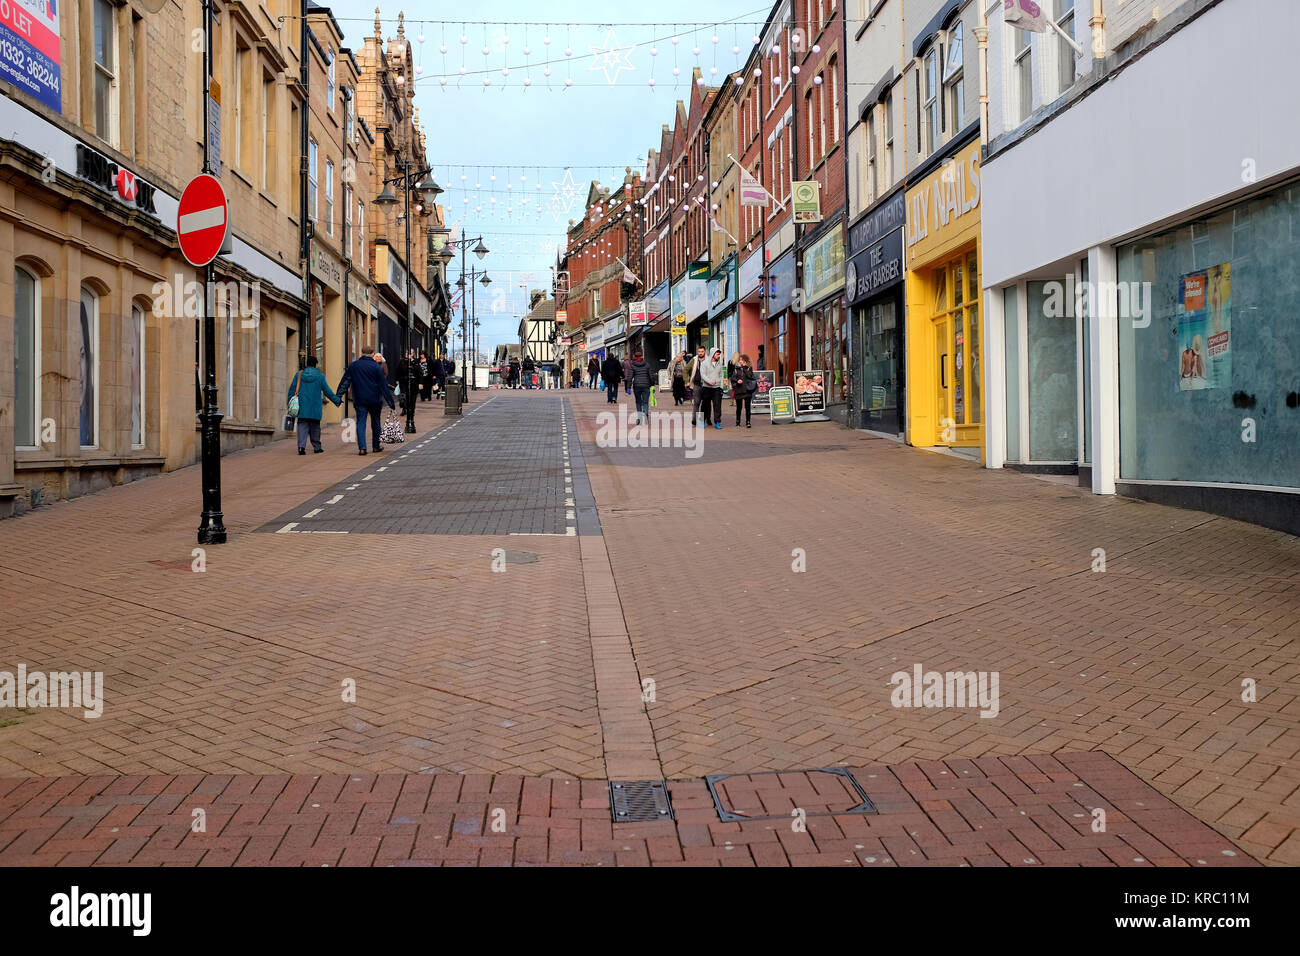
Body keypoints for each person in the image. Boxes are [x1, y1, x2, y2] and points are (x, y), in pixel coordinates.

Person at [337, 345, 396, 456]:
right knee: (376, 422)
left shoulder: (354, 366)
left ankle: (362, 448)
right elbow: (383, 386)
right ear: (373, 354)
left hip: (359, 399)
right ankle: (376, 446)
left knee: (360, 422)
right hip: (375, 399)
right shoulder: (376, 367)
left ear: (362, 352)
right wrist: (390, 402)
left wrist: (338, 397)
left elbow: (345, 382)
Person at [288, 355, 342, 454]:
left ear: (307, 364)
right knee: (315, 426)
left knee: (302, 425)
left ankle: (301, 447)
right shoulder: (320, 376)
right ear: (315, 364)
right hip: (315, 406)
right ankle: (317, 447)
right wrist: (337, 400)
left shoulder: (299, 375)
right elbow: (327, 391)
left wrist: (289, 403)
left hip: (302, 405)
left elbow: (292, 389)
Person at [696, 347, 725, 429]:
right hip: (706, 387)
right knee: (705, 405)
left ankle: (717, 422)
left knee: (717, 406)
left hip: (717, 388)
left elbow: (721, 375)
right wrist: (709, 381)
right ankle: (701, 422)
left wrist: (721, 386)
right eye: (717, 354)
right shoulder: (704, 363)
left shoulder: (719, 364)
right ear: (713, 354)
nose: (719, 356)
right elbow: (703, 375)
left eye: (719, 354)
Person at [730, 353, 756, 429]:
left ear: (745, 360)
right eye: (739, 360)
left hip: (747, 390)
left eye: (741, 360)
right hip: (739, 389)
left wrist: (744, 367)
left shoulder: (749, 368)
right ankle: (738, 422)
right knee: (739, 407)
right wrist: (737, 380)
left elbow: (750, 376)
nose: (740, 361)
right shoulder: (736, 368)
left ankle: (748, 422)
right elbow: (732, 378)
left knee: (747, 407)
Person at [629, 349, 654, 425]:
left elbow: (630, 377)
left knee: (638, 402)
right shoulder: (647, 364)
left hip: (637, 386)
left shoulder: (633, 365)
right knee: (645, 402)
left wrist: (628, 387)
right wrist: (653, 385)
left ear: (635, 357)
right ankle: (645, 415)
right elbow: (651, 376)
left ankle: (639, 419)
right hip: (646, 385)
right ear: (642, 356)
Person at [687, 345, 708, 425]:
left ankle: (706, 419)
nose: (700, 353)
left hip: (706, 385)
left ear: (705, 352)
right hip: (697, 384)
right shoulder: (694, 360)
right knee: (697, 402)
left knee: (706, 404)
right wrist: (687, 381)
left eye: (702, 351)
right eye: (699, 352)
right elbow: (685, 370)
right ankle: (695, 420)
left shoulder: (708, 360)